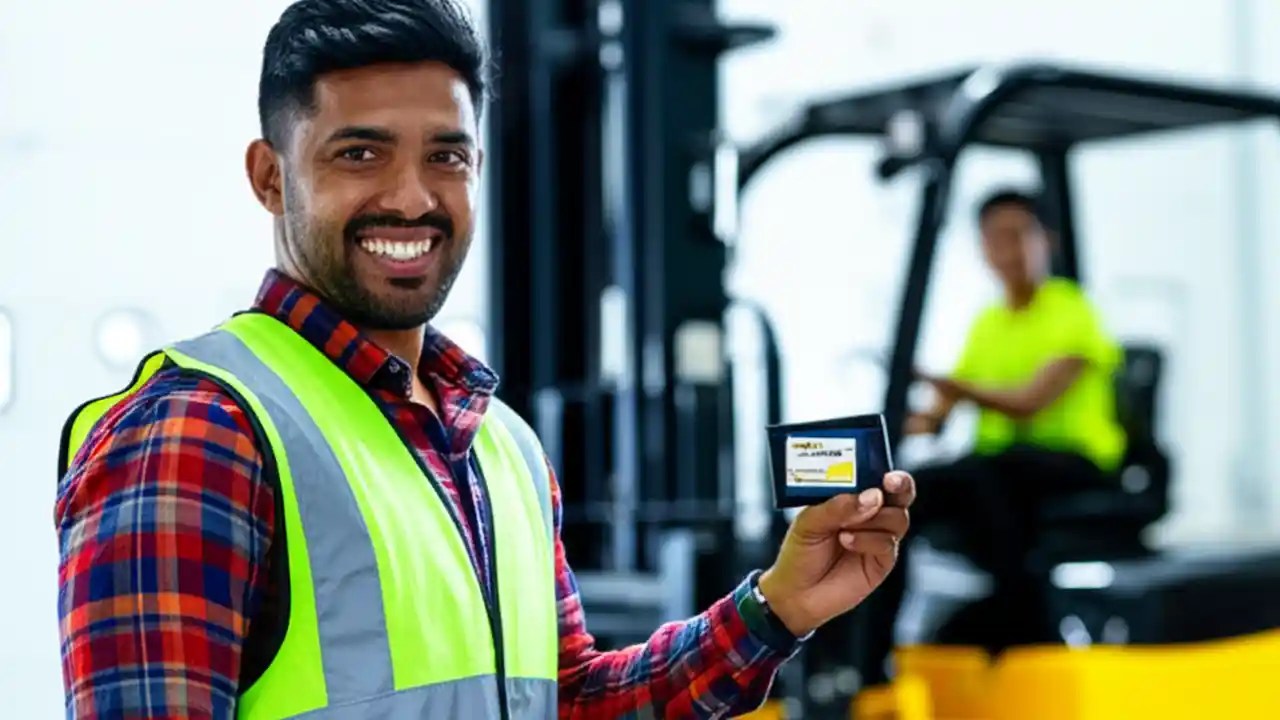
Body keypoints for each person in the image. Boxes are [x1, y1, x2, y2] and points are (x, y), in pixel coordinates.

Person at [53, 2, 915, 718]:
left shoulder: (501, 447)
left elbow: (568, 701)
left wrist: (775, 608)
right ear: (270, 177)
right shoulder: (199, 432)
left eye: (447, 156)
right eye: (360, 153)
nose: (413, 196)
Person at [857, 188, 1126, 685]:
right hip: (1001, 469)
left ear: (1046, 240)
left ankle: (1020, 611)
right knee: (901, 495)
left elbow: (1029, 402)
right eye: (995, 238)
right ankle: (867, 658)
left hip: (1074, 464)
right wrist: (882, 424)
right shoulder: (988, 322)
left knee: (981, 477)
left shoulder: (1071, 308)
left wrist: (949, 385)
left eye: (1018, 235)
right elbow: (936, 418)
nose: (1008, 249)